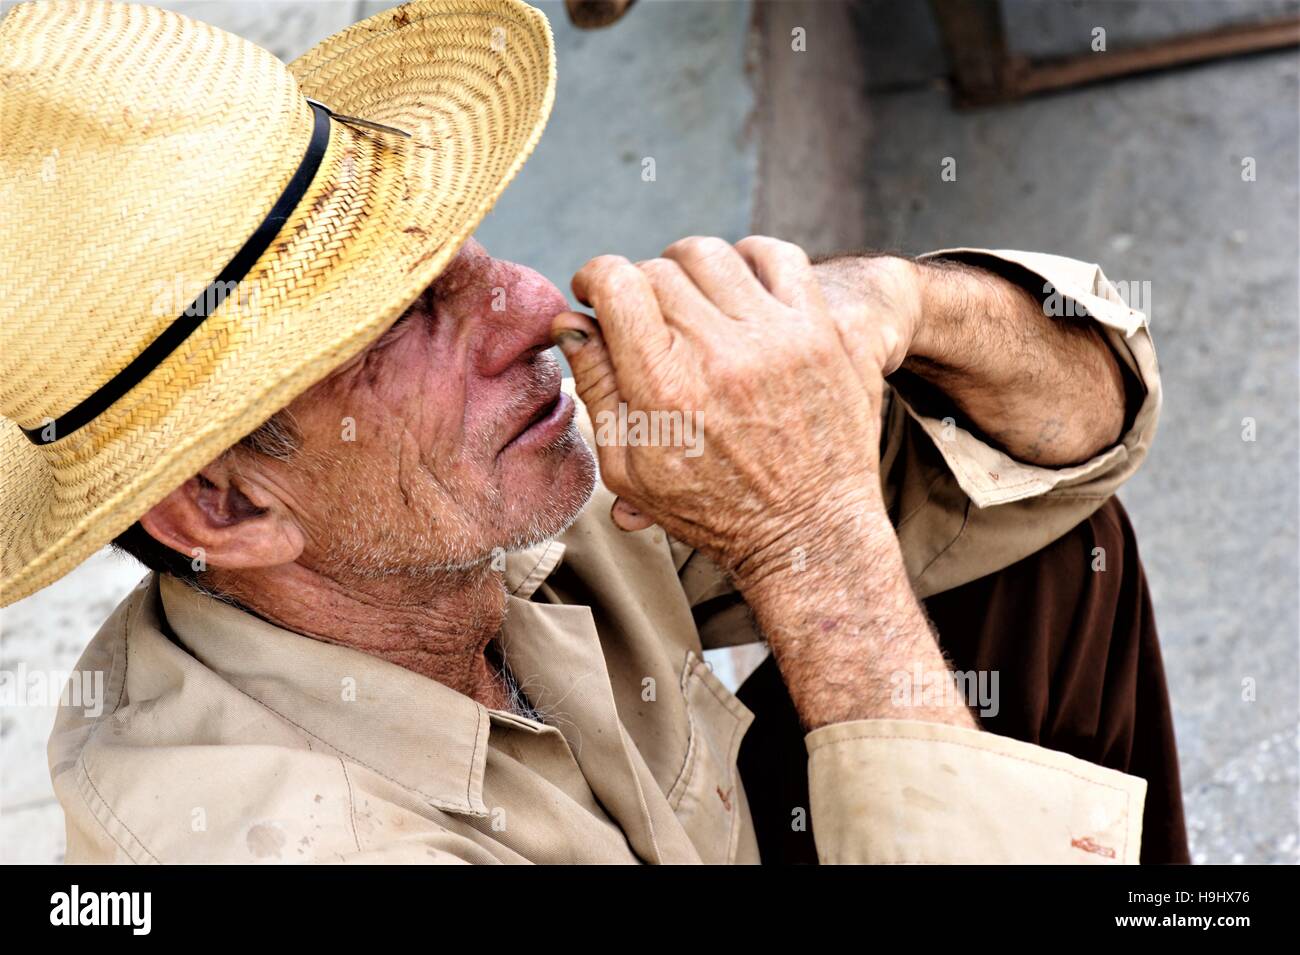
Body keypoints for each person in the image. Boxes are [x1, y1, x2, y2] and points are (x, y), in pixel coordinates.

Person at [0, 0, 1183, 864]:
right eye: (401, 320)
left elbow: (1067, 432)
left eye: (459, 246)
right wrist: (808, 540)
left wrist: (902, 304)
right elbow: (828, 541)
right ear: (227, 506)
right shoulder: (278, 836)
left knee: (1022, 537)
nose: (528, 301)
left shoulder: (455, 510)